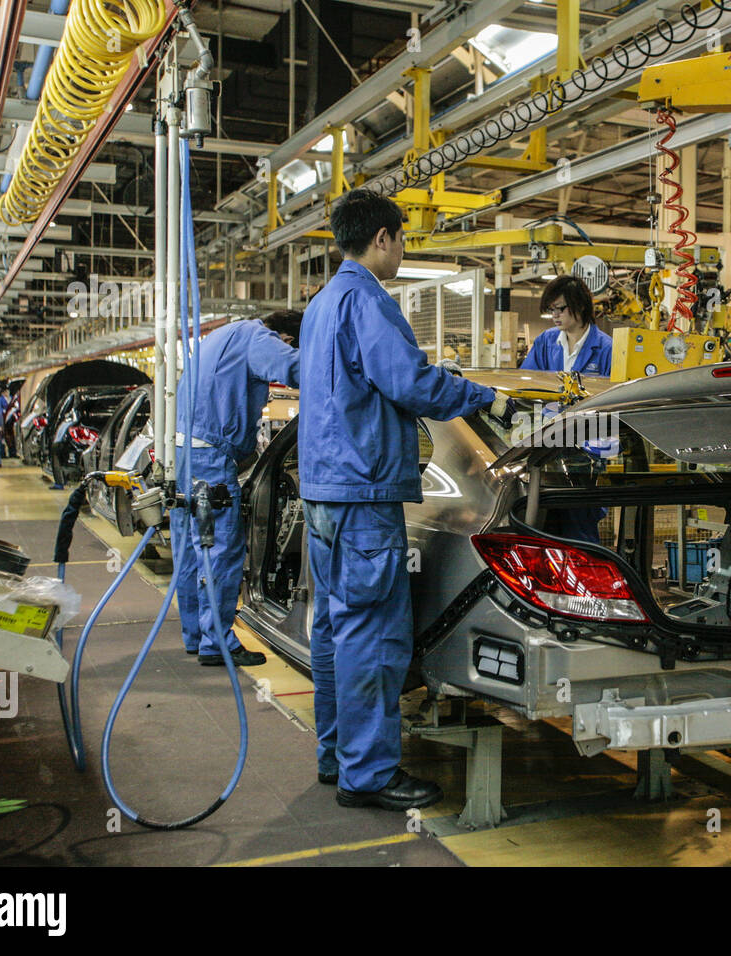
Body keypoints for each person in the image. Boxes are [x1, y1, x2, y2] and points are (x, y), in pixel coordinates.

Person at [300, 188, 510, 812]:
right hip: (364, 498)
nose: (402, 250)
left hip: (324, 495)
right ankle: (369, 775)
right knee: (373, 637)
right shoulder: (367, 300)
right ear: (384, 237)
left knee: (336, 630)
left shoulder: (320, 305)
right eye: (401, 238)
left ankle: (337, 756)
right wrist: (481, 396)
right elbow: (410, 382)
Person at [172, 309, 302, 667]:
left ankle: (196, 636)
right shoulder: (258, 339)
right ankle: (218, 643)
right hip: (211, 458)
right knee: (220, 551)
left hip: (184, 452)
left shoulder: (221, 336)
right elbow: (296, 369)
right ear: (287, 339)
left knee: (190, 551)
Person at [521, 275, 612, 376]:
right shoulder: (545, 342)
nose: (555, 315)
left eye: (560, 308)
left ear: (580, 305)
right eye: (551, 309)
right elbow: (527, 379)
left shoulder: (607, 349)